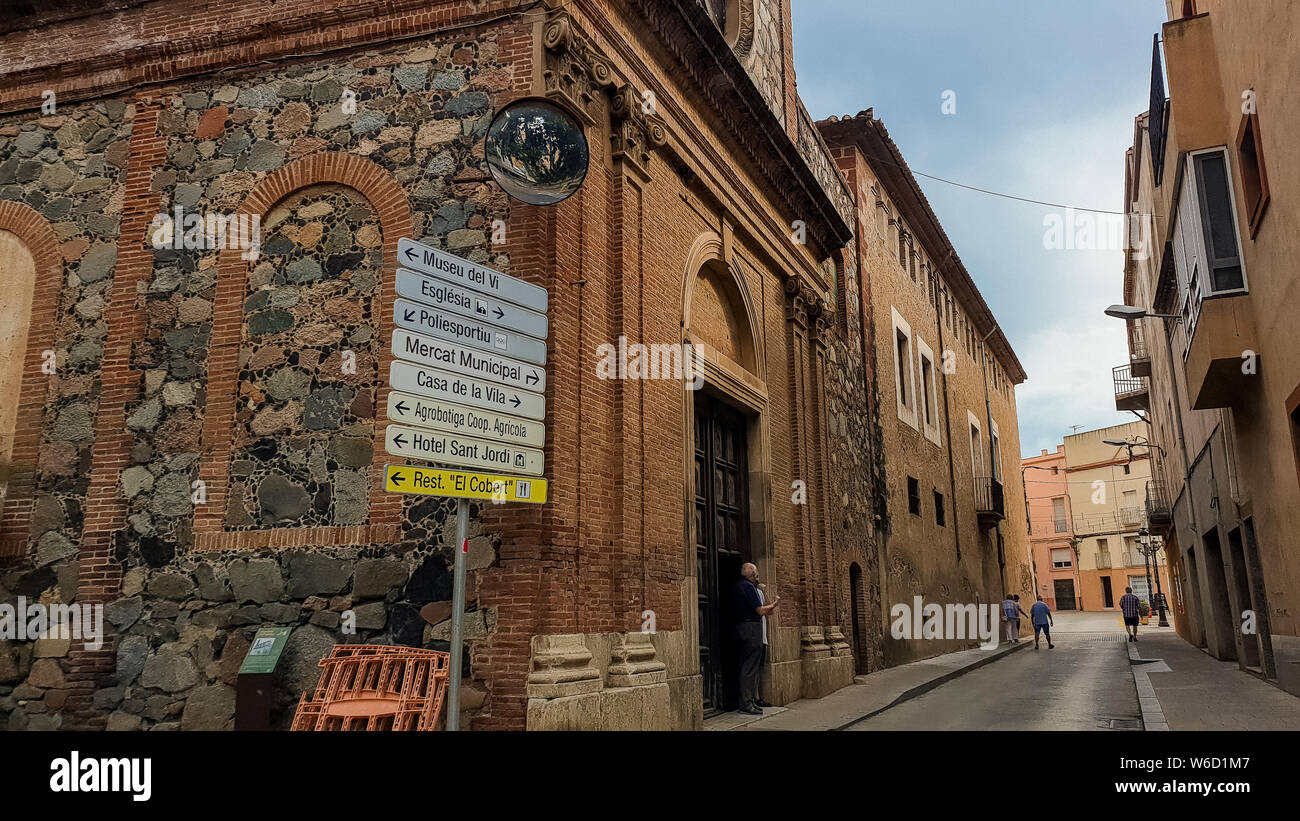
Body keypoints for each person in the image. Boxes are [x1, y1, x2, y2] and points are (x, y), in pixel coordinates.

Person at [733, 563, 780, 714]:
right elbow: (760, 610)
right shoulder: (748, 587)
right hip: (751, 628)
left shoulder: (738, 585)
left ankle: (749, 701)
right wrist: (774, 604)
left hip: (741, 627)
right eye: (756, 574)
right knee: (750, 667)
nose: (757, 577)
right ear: (753, 575)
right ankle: (747, 703)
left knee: (746, 665)